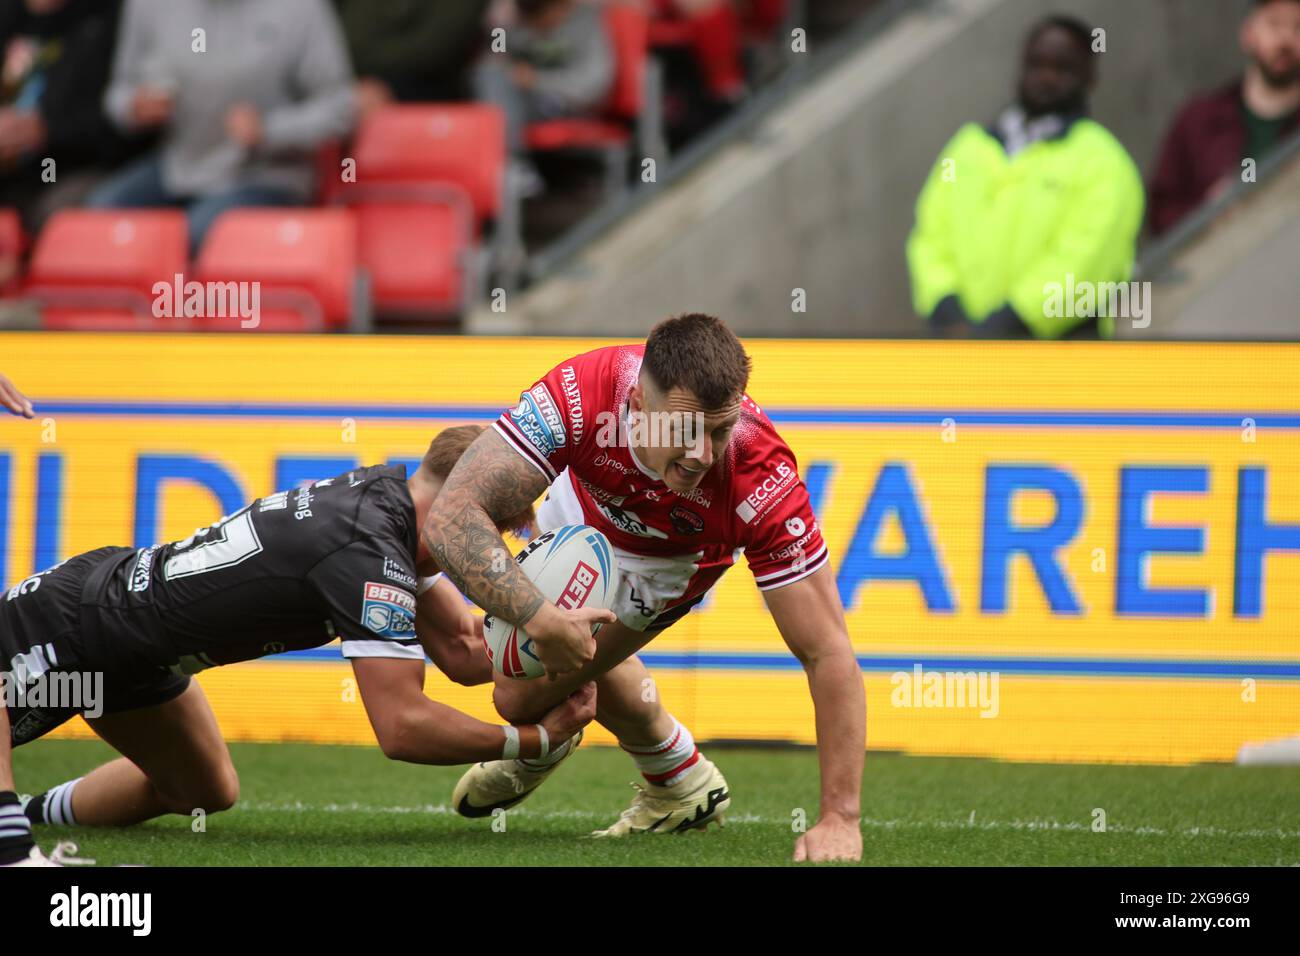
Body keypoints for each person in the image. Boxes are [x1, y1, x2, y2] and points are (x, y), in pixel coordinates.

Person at [0, 424, 602, 866]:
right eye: (490, 531)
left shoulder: (396, 512)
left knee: (204, 791)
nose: (490, 551)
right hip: (75, 622)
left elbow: (466, 650)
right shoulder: (368, 549)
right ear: (459, 506)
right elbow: (403, 727)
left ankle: (24, 811)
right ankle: (12, 850)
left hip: (137, 654)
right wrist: (534, 741)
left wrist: (558, 644)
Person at [424, 314, 865, 862]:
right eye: (683, 431)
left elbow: (827, 652)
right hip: (582, 510)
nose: (703, 454)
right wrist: (542, 618)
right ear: (636, 407)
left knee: (514, 692)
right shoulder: (580, 394)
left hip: (667, 559)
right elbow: (449, 518)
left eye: (719, 430)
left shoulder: (759, 475)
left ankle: (551, 729)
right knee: (494, 659)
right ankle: (677, 776)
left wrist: (840, 819)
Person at [906, 15, 1144, 339]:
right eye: (1036, 64)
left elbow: (1087, 260)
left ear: (1090, 78)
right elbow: (929, 235)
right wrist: (946, 309)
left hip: (1057, 358)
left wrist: (1011, 321)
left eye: (1063, 68)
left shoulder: (1104, 162)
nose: (1046, 77)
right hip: (960, 350)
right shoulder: (968, 147)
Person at [86, 0, 355, 253]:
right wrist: (134, 108)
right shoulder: (148, 5)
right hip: (178, 166)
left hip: (266, 173)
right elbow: (119, 94)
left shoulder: (301, 8)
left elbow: (340, 105)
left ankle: (181, 301)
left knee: (195, 236)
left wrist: (270, 130)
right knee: (95, 223)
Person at [1149, 0, 1300, 236]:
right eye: (1274, 24)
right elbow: (1160, 212)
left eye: (1298, 27)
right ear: (1248, 34)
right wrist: (1207, 212)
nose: (1286, 40)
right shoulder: (1198, 120)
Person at [0, 0, 148, 232]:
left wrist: (48, 130)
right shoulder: (9, 15)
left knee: (56, 216)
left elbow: (121, 123)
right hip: (12, 170)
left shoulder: (108, 19)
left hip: (73, 167)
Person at [474, 0, 614, 195]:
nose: (534, 23)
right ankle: (510, 165)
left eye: (541, 12)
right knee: (490, 75)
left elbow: (593, 86)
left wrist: (538, 80)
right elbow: (496, 62)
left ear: (562, 6)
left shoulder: (586, 21)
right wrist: (499, 28)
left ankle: (511, 162)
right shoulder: (513, 23)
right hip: (523, 103)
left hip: (569, 104)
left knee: (518, 100)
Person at [333, 0, 490, 117]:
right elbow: (344, 35)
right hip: (345, 81)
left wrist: (378, 84)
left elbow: (435, 48)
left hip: (425, 92)